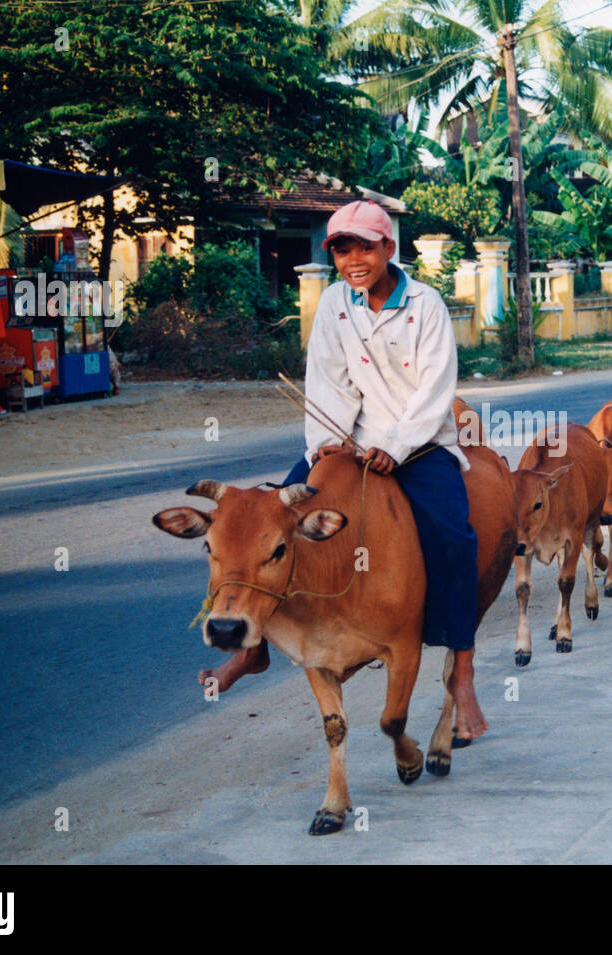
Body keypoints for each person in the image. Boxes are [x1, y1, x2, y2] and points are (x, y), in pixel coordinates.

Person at [208, 199, 489, 740]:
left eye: (365, 246)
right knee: (268, 521)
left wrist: (398, 447)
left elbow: (436, 388)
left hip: (420, 442)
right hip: (347, 443)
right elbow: (327, 383)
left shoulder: (426, 305)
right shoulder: (336, 303)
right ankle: (253, 646)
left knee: (454, 538)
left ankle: (465, 673)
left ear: (389, 247)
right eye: (341, 249)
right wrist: (329, 447)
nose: (353, 259)